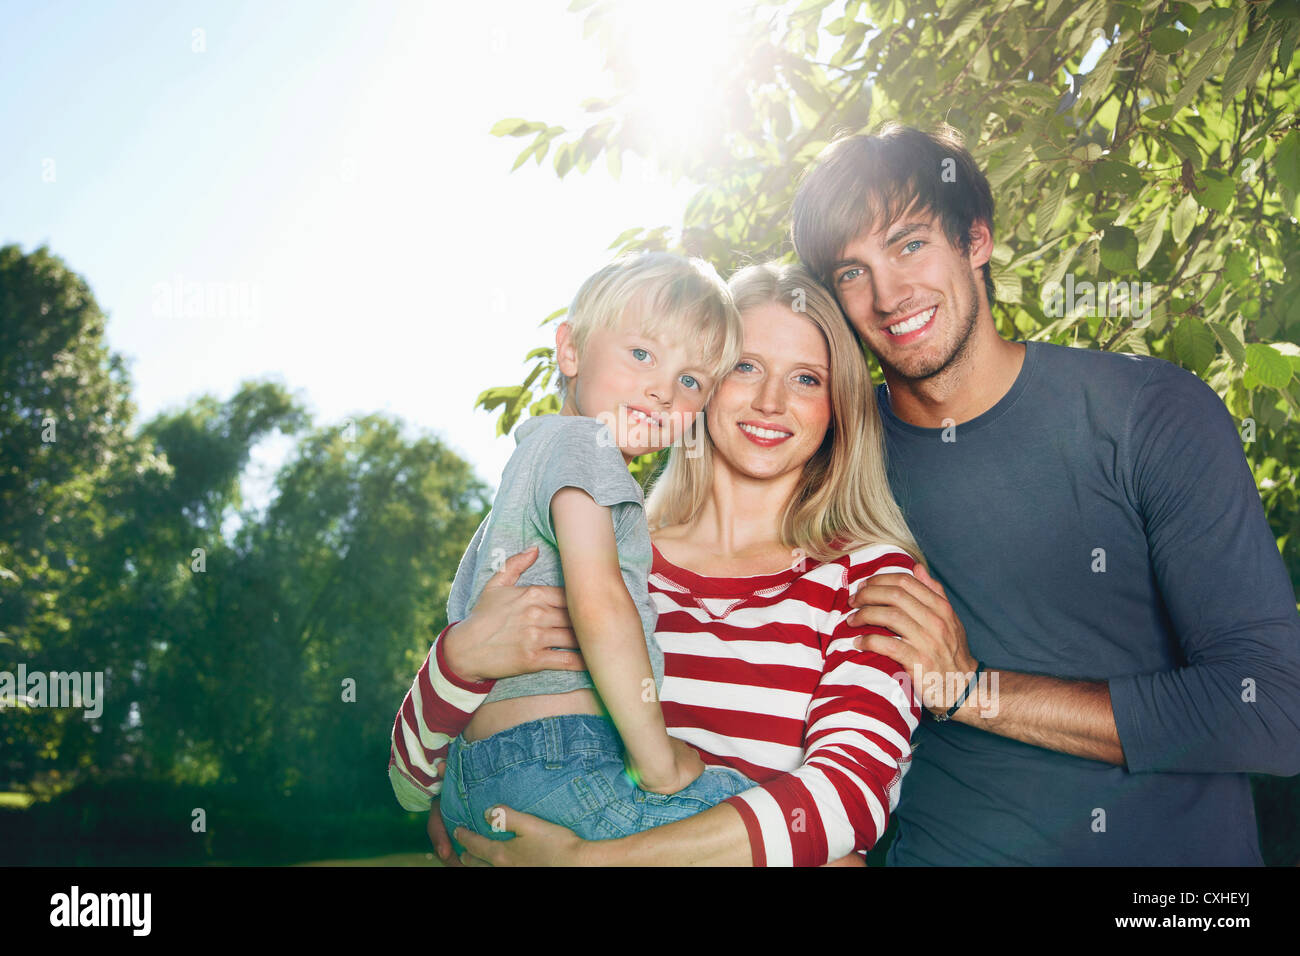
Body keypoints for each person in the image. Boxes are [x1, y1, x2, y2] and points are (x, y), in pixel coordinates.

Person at [789, 122, 1300, 865]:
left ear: (976, 241)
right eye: (851, 271)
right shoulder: (832, 450)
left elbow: (1273, 708)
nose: (889, 294)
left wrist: (971, 692)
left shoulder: (1148, 413)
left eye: (908, 244)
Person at [389, 261, 926, 866]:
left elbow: (846, 802)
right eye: (746, 367)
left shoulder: (868, 579)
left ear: (839, 405)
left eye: (806, 378)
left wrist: (592, 862)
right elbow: (424, 779)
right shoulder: (610, 549)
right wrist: (458, 659)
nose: (772, 401)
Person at [400, 252, 755, 853]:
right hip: (559, 756)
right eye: (641, 354)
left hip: (479, 773)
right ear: (570, 351)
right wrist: (657, 760)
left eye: (690, 380)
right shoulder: (588, 447)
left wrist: (428, 786)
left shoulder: (526, 473)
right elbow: (600, 603)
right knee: (774, 833)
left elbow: (463, 629)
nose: (662, 389)